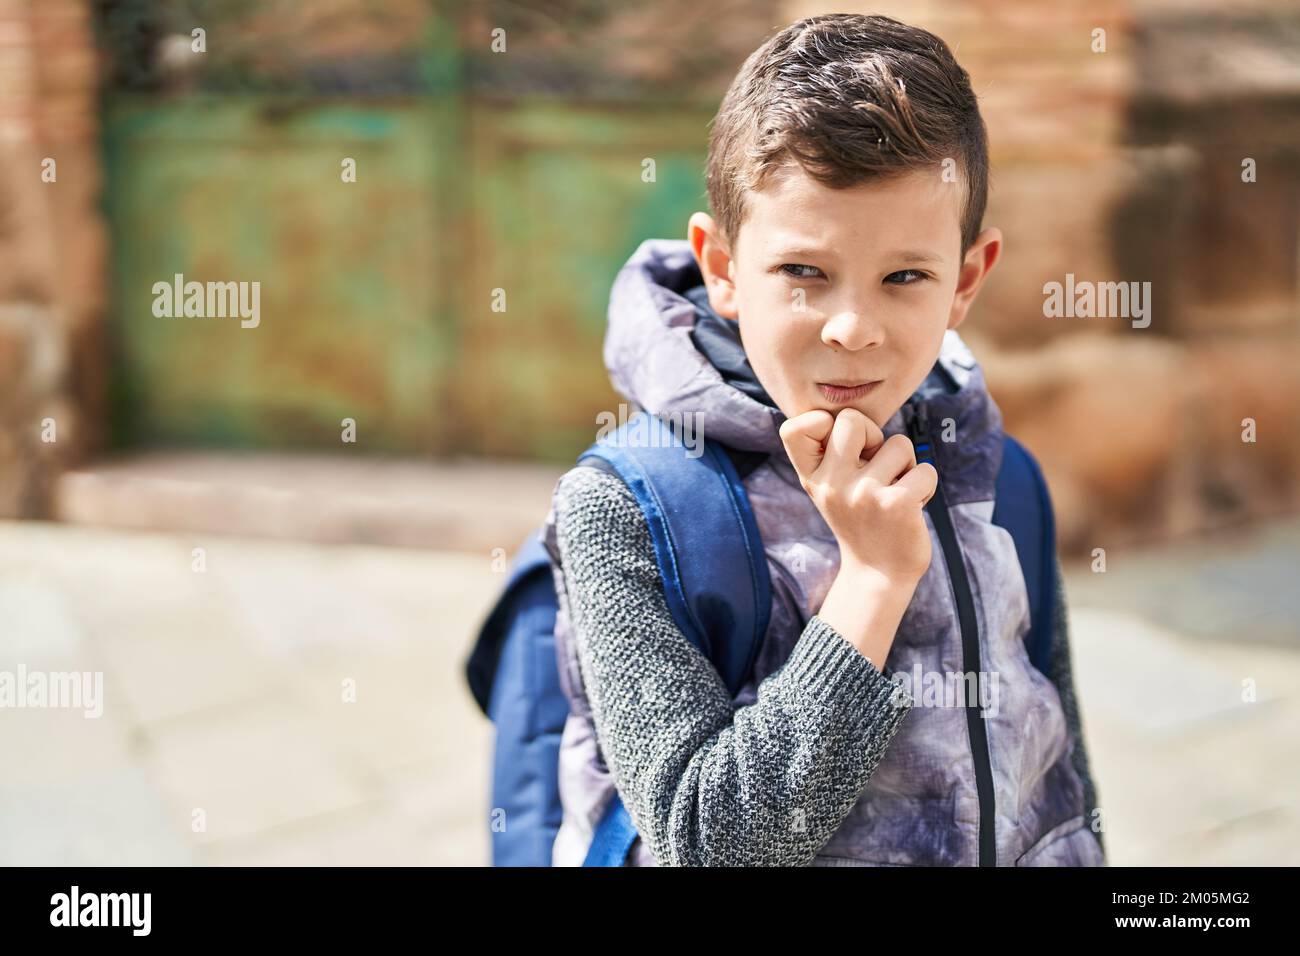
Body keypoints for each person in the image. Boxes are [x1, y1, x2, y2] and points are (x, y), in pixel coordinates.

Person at [542, 12, 1105, 867]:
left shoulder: (1002, 474)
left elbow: (1061, 784)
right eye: (804, 273)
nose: (853, 328)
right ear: (724, 268)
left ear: (968, 279)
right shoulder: (631, 508)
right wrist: (872, 583)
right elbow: (709, 843)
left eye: (905, 277)